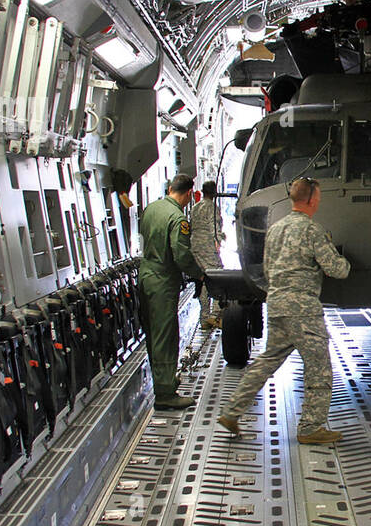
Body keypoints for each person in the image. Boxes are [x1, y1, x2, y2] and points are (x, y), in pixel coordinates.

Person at [218, 178, 350, 444]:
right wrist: (344, 261)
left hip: (277, 305)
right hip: (303, 310)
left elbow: (266, 270)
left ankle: (232, 411)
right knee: (319, 367)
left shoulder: (275, 230)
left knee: (267, 361)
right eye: (319, 197)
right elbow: (338, 270)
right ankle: (311, 427)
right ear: (312, 199)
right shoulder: (313, 231)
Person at [139, 174, 202, 411]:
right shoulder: (178, 218)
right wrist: (199, 274)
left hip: (146, 276)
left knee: (154, 334)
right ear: (188, 194)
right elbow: (182, 255)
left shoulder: (151, 208)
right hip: (163, 280)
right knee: (166, 336)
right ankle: (165, 394)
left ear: (169, 188)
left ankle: (164, 380)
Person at [190, 181, 225, 329]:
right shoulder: (212, 207)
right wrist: (220, 240)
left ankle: (204, 319)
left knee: (203, 280)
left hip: (195, 246)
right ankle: (215, 315)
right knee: (218, 277)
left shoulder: (195, 207)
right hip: (207, 247)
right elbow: (214, 228)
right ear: (214, 193)